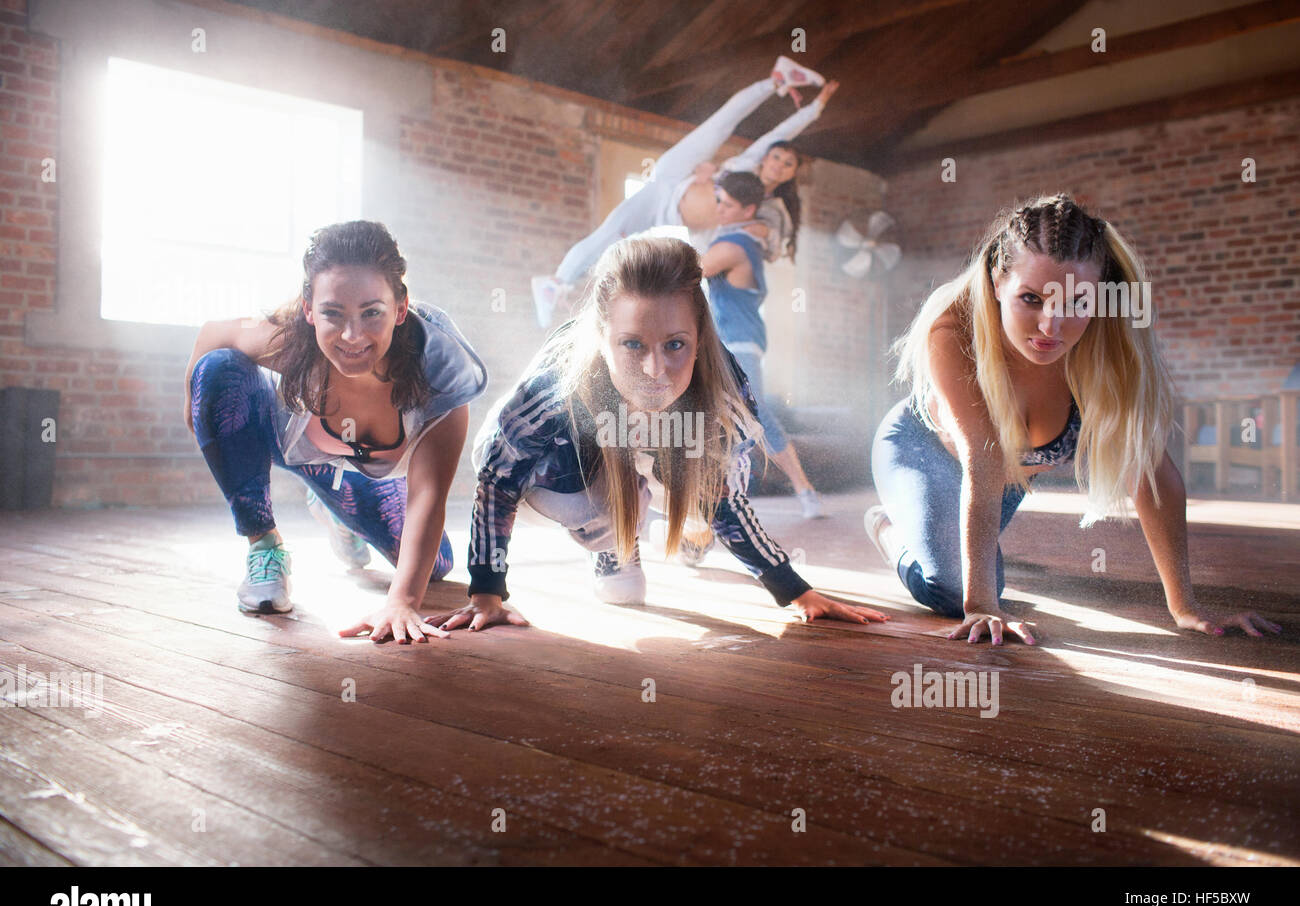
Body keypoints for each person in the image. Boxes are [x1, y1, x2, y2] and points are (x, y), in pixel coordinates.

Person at [867, 194, 1281, 646]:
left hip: (1004, 482)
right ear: (996, 282)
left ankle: (937, 534)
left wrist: (1184, 607)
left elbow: (1150, 473)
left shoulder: (1110, 351)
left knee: (977, 569)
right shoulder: (952, 329)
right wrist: (982, 605)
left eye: (1077, 302)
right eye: (1030, 298)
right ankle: (884, 526)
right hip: (920, 451)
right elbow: (982, 462)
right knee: (950, 591)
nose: (1052, 326)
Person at [431, 236, 889, 632]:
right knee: (619, 587)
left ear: (699, 336)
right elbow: (497, 478)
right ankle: (617, 541)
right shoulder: (555, 389)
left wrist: (793, 590)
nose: (656, 371)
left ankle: (685, 527)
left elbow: (724, 499)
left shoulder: (724, 391)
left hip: (670, 456)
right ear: (601, 336)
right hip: (581, 476)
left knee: (708, 488)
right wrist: (487, 592)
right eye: (633, 345)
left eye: (675, 345)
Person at [184, 221, 487, 643]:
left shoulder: (439, 369)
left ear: (400, 308)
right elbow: (214, 334)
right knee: (216, 369)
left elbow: (428, 496)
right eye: (333, 313)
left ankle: (336, 508)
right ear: (309, 309)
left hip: (357, 473)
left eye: (371, 313)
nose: (351, 336)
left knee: (433, 566)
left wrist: (402, 602)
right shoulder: (289, 340)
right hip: (284, 442)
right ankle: (264, 545)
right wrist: (195, 402)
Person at [531, 56, 838, 327]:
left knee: (680, 269)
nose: (778, 166)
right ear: (768, 156)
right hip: (672, 181)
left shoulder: (766, 206)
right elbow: (780, 135)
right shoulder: (748, 163)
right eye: (776, 158)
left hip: (680, 218)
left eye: (787, 165)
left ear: (792, 173)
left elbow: (764, 238)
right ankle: (776, 79)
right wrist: (816, 107)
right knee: (719, 126)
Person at [699, 171, 825, 519]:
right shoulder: (743, 238)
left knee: (756, 413)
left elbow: (687, 270)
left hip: (738, 343)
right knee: (719, 416)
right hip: (727, 341)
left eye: (726, 204)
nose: (719, 209)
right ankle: (715, 497)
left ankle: (804, 489)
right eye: (718, 201)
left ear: (748, 209)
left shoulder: (733, 246)